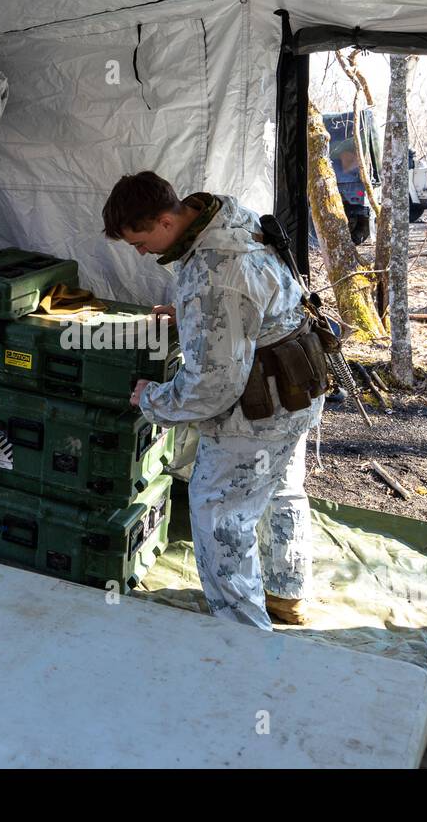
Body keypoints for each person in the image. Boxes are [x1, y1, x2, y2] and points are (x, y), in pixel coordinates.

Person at [105, 172, 323, 630]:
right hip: (300, 385)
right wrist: (192, 315)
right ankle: (286, 594)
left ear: (166, 220)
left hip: (261, 409)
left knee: (218, 513)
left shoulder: (214, 274)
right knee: (279, 487)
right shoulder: (227, 217)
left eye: (140, 242)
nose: (141, 253)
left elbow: (212, 386)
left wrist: (153, 400)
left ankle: (243, 637)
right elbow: (252, 303)